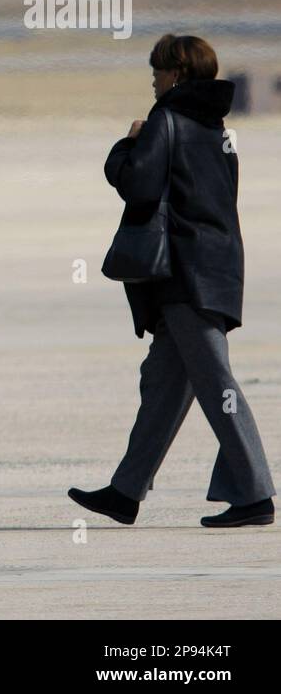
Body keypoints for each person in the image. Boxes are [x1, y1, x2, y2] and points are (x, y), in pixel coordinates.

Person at [69, 34, 275, 528]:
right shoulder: (218, 129)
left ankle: (255, 494)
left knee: (217, 384)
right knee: (163, 385)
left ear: (177, 74)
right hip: (216, 269)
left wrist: (128, 144)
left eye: (159, 71)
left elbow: (138, 186)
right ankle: (126, 492)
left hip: (186, 275)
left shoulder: (167, 121)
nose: (154, 78)